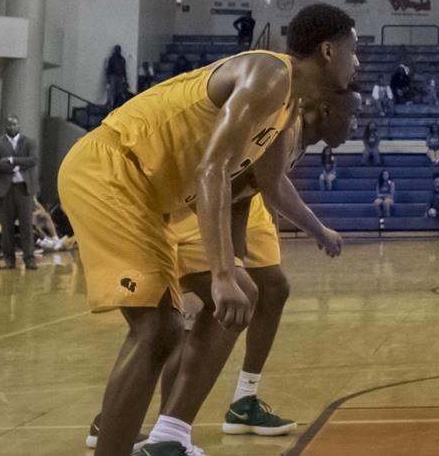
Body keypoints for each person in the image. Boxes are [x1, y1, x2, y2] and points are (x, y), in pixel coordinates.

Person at [58, 2, 356, 456]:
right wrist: (220, 273)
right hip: (114, 169)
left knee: (244, 294)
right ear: (328, 51)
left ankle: (170, 436)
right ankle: (116, 435)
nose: (358, 62)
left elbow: (271, 184)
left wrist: (316, 232)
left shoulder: (286, 105)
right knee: (158, 328)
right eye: (354, 50)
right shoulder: (269, 73)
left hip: (159, 195)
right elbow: (213, 169)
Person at [96, 87, 356, 451]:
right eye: (353, 115)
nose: (356, 124)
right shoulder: (280, 121)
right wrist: (318, 231)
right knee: (179, 321)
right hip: (180, 202)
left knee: (238, 299)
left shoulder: (294, 135)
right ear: (325, 110)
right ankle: (156, 430)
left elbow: (243, 191)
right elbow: (244, 183)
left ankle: (166, 431)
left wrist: (235, 260)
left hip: (197, 201)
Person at [0, 114, 40, 270]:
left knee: (26, 225)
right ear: (5, 126)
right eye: (9, 124)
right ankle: (9, 259)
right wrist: (16, 167)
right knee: (6, 226)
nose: (12, 127)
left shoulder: (29, 142)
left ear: (19, 125)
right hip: (4, 190)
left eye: (14, 124)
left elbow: (33, 160)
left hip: (23, 189)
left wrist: (12, 160)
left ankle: (29, 258)